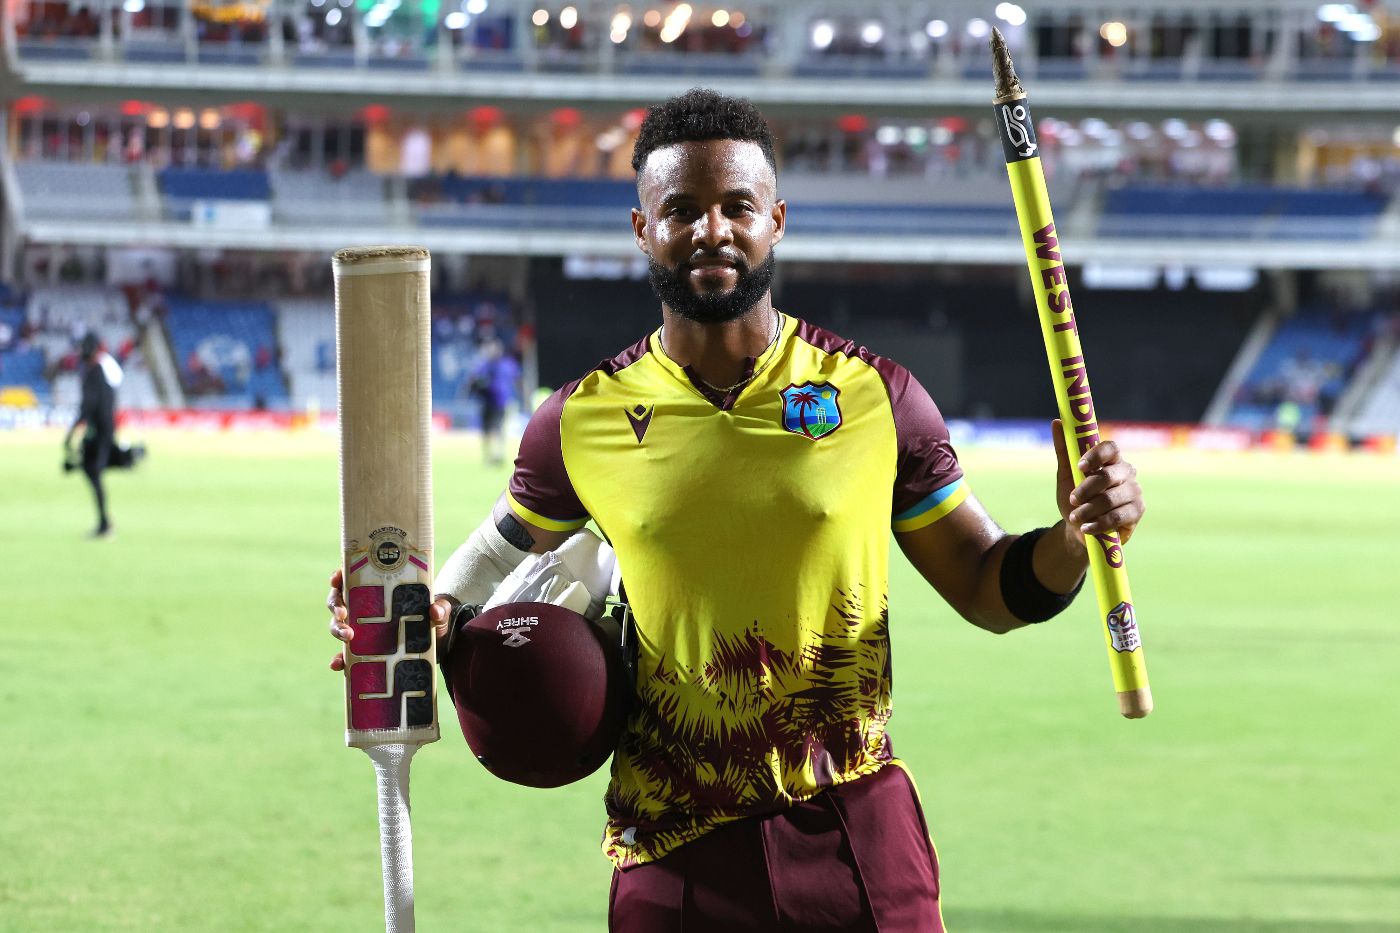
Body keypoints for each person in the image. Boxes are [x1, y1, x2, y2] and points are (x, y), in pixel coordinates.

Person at [325, 89, 1145, 932]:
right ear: (643, 229)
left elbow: (986, 584)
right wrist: (430, 612)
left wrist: (1075, 540)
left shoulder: (874, 396)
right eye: (681, 209)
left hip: (855, 835)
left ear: (776, 219)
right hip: (674, 850)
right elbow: (493, 554)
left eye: (736, 206)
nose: (711, 229)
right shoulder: (580, 418)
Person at [63, 332, 144, 537]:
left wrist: (72, 432)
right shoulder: (98, 370)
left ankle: (127, 457)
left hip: (100, 432)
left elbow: (89, 405)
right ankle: (125, 457)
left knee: (94, 469)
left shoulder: (94, 372)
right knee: (91, 469)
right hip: (101, 430)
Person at [466, 335, 521, 467]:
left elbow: (518, 381)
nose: (493, 351)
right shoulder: (483, 365)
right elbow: (472, 380)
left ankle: (499, 455)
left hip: (502, 402)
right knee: (486, 430)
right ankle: (488, 456)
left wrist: (522, 397)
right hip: (487, 402)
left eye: (495, 348)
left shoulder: (508, 364)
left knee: (499, 429)